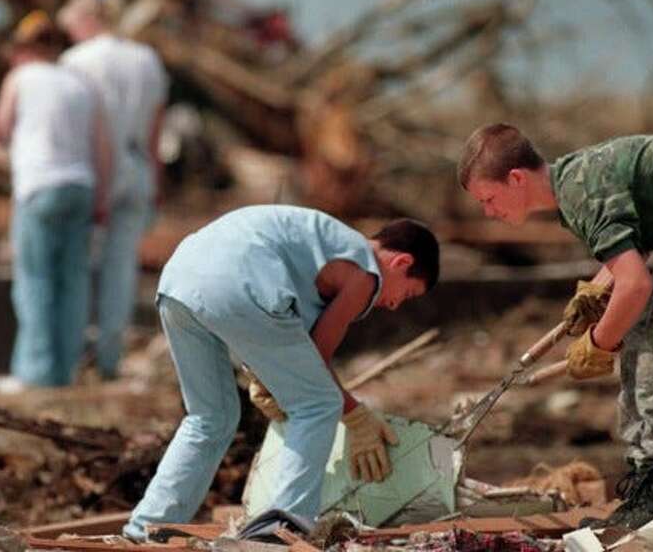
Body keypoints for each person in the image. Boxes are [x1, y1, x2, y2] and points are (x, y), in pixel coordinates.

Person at [457, 123, 653, 529]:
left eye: (489, 198)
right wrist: (595, 290)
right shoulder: (574, 184)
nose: (488, 212)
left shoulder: (580, 193)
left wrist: (597, 344)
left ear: (516, 179)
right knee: (642, 338)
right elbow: (633, 248)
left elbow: (635, 283)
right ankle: (646, 479)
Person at [123, 205, 440, 541]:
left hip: (179, 280)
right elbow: (317, 360)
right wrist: (356, 416)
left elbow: (291, 350)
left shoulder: (326, 240)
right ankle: (278, 533)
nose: (394, 304)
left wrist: (264, 376)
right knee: (318, 405)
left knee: (211, 417)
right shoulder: (366, 272)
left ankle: (144, 529)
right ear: (401, 262)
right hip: (238, 284)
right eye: (406, 293)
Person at [0, 11, 111, 390]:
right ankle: (66, 369)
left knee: (34, 279)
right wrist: (102, 197)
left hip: (38, 185)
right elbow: (102, 147)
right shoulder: (81, 83)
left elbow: (1, 127)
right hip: (81, 185)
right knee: (73, 281)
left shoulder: (20, 78)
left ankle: (35, 371)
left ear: (27, 48)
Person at [57, 0, 169, 379]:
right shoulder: (147, 59)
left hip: (91, 169)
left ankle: (75, 353)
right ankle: (109, 356)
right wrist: (155, 181)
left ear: (88, 19)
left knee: (80, 264)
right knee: (121, 268)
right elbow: (155, 129)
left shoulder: (75, 61)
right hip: (137, 167)